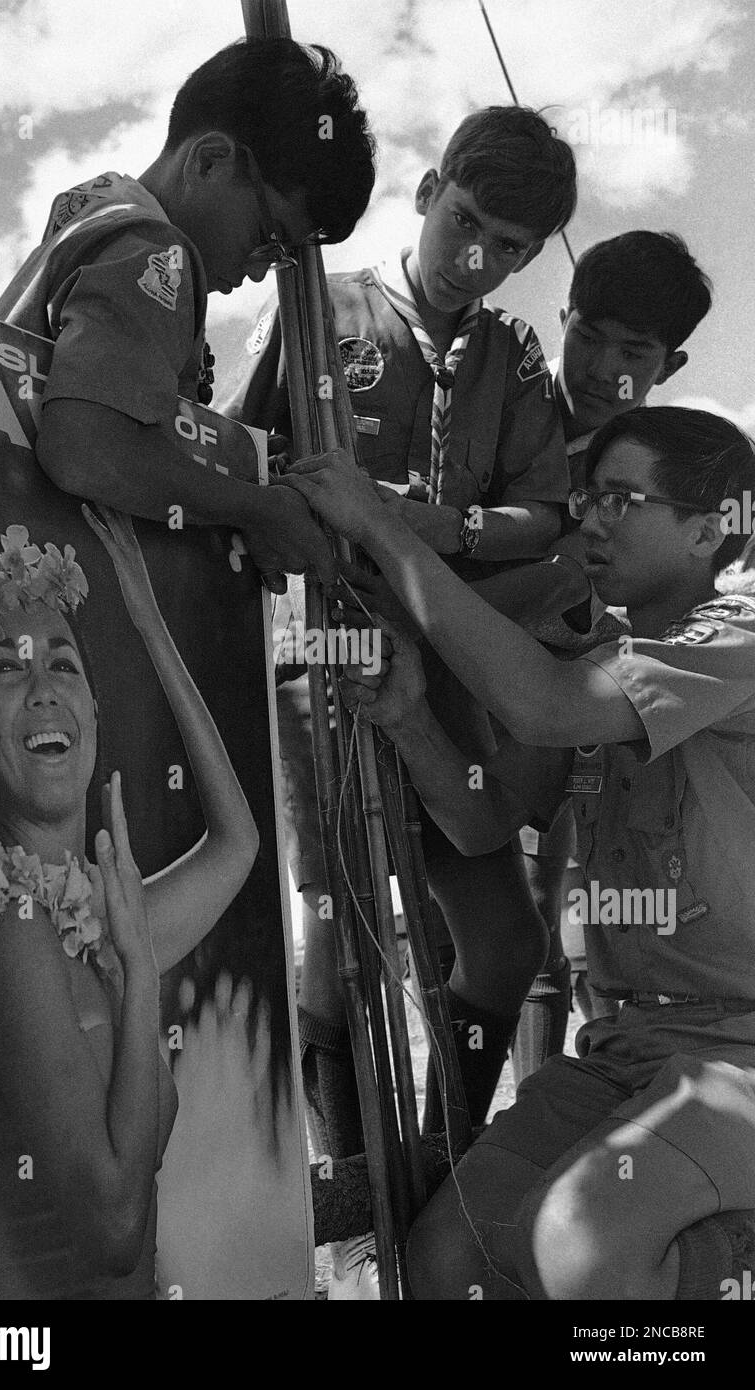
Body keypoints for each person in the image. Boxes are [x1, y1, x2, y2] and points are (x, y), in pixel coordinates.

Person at [217, 107, 577, 1292]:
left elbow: (548, 517)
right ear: (427, 190)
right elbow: (236, 456)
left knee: (506, 936)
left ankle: (449, 1164)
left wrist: (447, 528)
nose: (478, 258)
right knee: (339, 942)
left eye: (509, 246)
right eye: (467, 223)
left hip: (459, 675)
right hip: (326, 654)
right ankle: (364, 1200)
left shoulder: (516, 360)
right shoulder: (324, 308)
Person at [281, 404, 755, 1300]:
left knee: (583, 1251)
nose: (592, 520)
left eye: (624, 499)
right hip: (623, 1046)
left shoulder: (734, 643)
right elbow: (481, 821)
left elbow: (545, 705)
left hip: (738, 1049)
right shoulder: (601, 658)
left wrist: (380, 526)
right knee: (448, 1264)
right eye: (591, 497)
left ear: (705, 529)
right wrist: (413, 716)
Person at [0, 509, 258, 1299]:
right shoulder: (8, 926)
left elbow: (238, 844)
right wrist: (139, 975)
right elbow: (114, 1232)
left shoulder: (98, 918)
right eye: (5, 669)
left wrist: (147, 623)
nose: (41, 691)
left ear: (95, 710)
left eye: (63, 664)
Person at [0, 37, 377, 593]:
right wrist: (258, 510)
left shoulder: (97, 213)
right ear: (209, 160)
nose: (260, 272)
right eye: (268, 239)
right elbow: (85, 445)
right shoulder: (153, 251)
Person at [513, 232, 713, 1082]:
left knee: (566, 909)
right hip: (488, 695)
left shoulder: (664, 461)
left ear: (671, 365)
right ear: (561, 316)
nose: (603, 367)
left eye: (635, 352)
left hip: (596, 716)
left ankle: (560, 1105)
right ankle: (383, 1160)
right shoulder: (506, 426)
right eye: (588, 335)